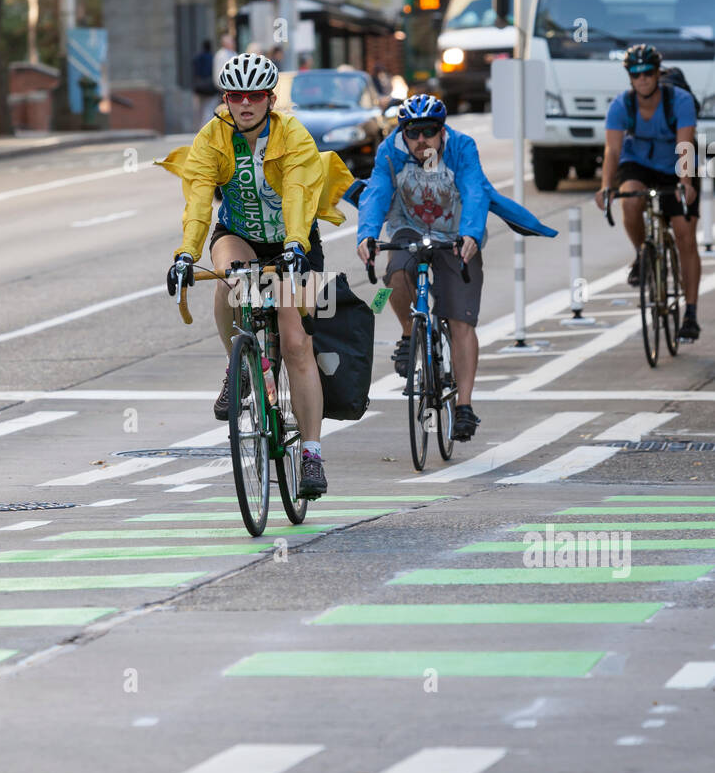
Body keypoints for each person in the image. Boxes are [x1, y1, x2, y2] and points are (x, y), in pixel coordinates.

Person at [156, 52, 355, 498]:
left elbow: (301, 195)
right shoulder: (213, 137)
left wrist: (295, 247)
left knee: (297, 342)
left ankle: (311, 453)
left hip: (293, 239)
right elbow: (199, 201)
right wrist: (186, 254)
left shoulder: (294, 137)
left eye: (255, 96)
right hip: (240, 234)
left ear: (269, 98)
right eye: (235, 96)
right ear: (226, 98)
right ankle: (238, 365)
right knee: (229, 277)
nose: (245, 104)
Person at [356, 94, 557, 441]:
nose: (421, 140)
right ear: (402, 131)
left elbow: (476, 191)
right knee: (394, 276)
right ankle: (408, 333)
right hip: (409, 228)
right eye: (412, 132)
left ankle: (464, 406)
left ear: (442, 130)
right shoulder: (389, 151)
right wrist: (367, 235)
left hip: (456, 231)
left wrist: (472, 235)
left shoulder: (463, 147)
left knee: (461, 319)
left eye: (429, 132)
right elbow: (375, 193)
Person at [595, 43, 700, 341]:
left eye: (648, 72)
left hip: (676, 166)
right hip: (637, 163)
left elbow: (685, 146)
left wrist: (686, 183)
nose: (642, 79)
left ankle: (690, 314)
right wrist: (606, 186)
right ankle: (643, 253)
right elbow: (613, 150)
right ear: (629, 76)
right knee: (630, 201)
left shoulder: (679, 101)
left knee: (684, 234)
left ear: (658, 73)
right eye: (636, 73)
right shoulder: (621, 105)